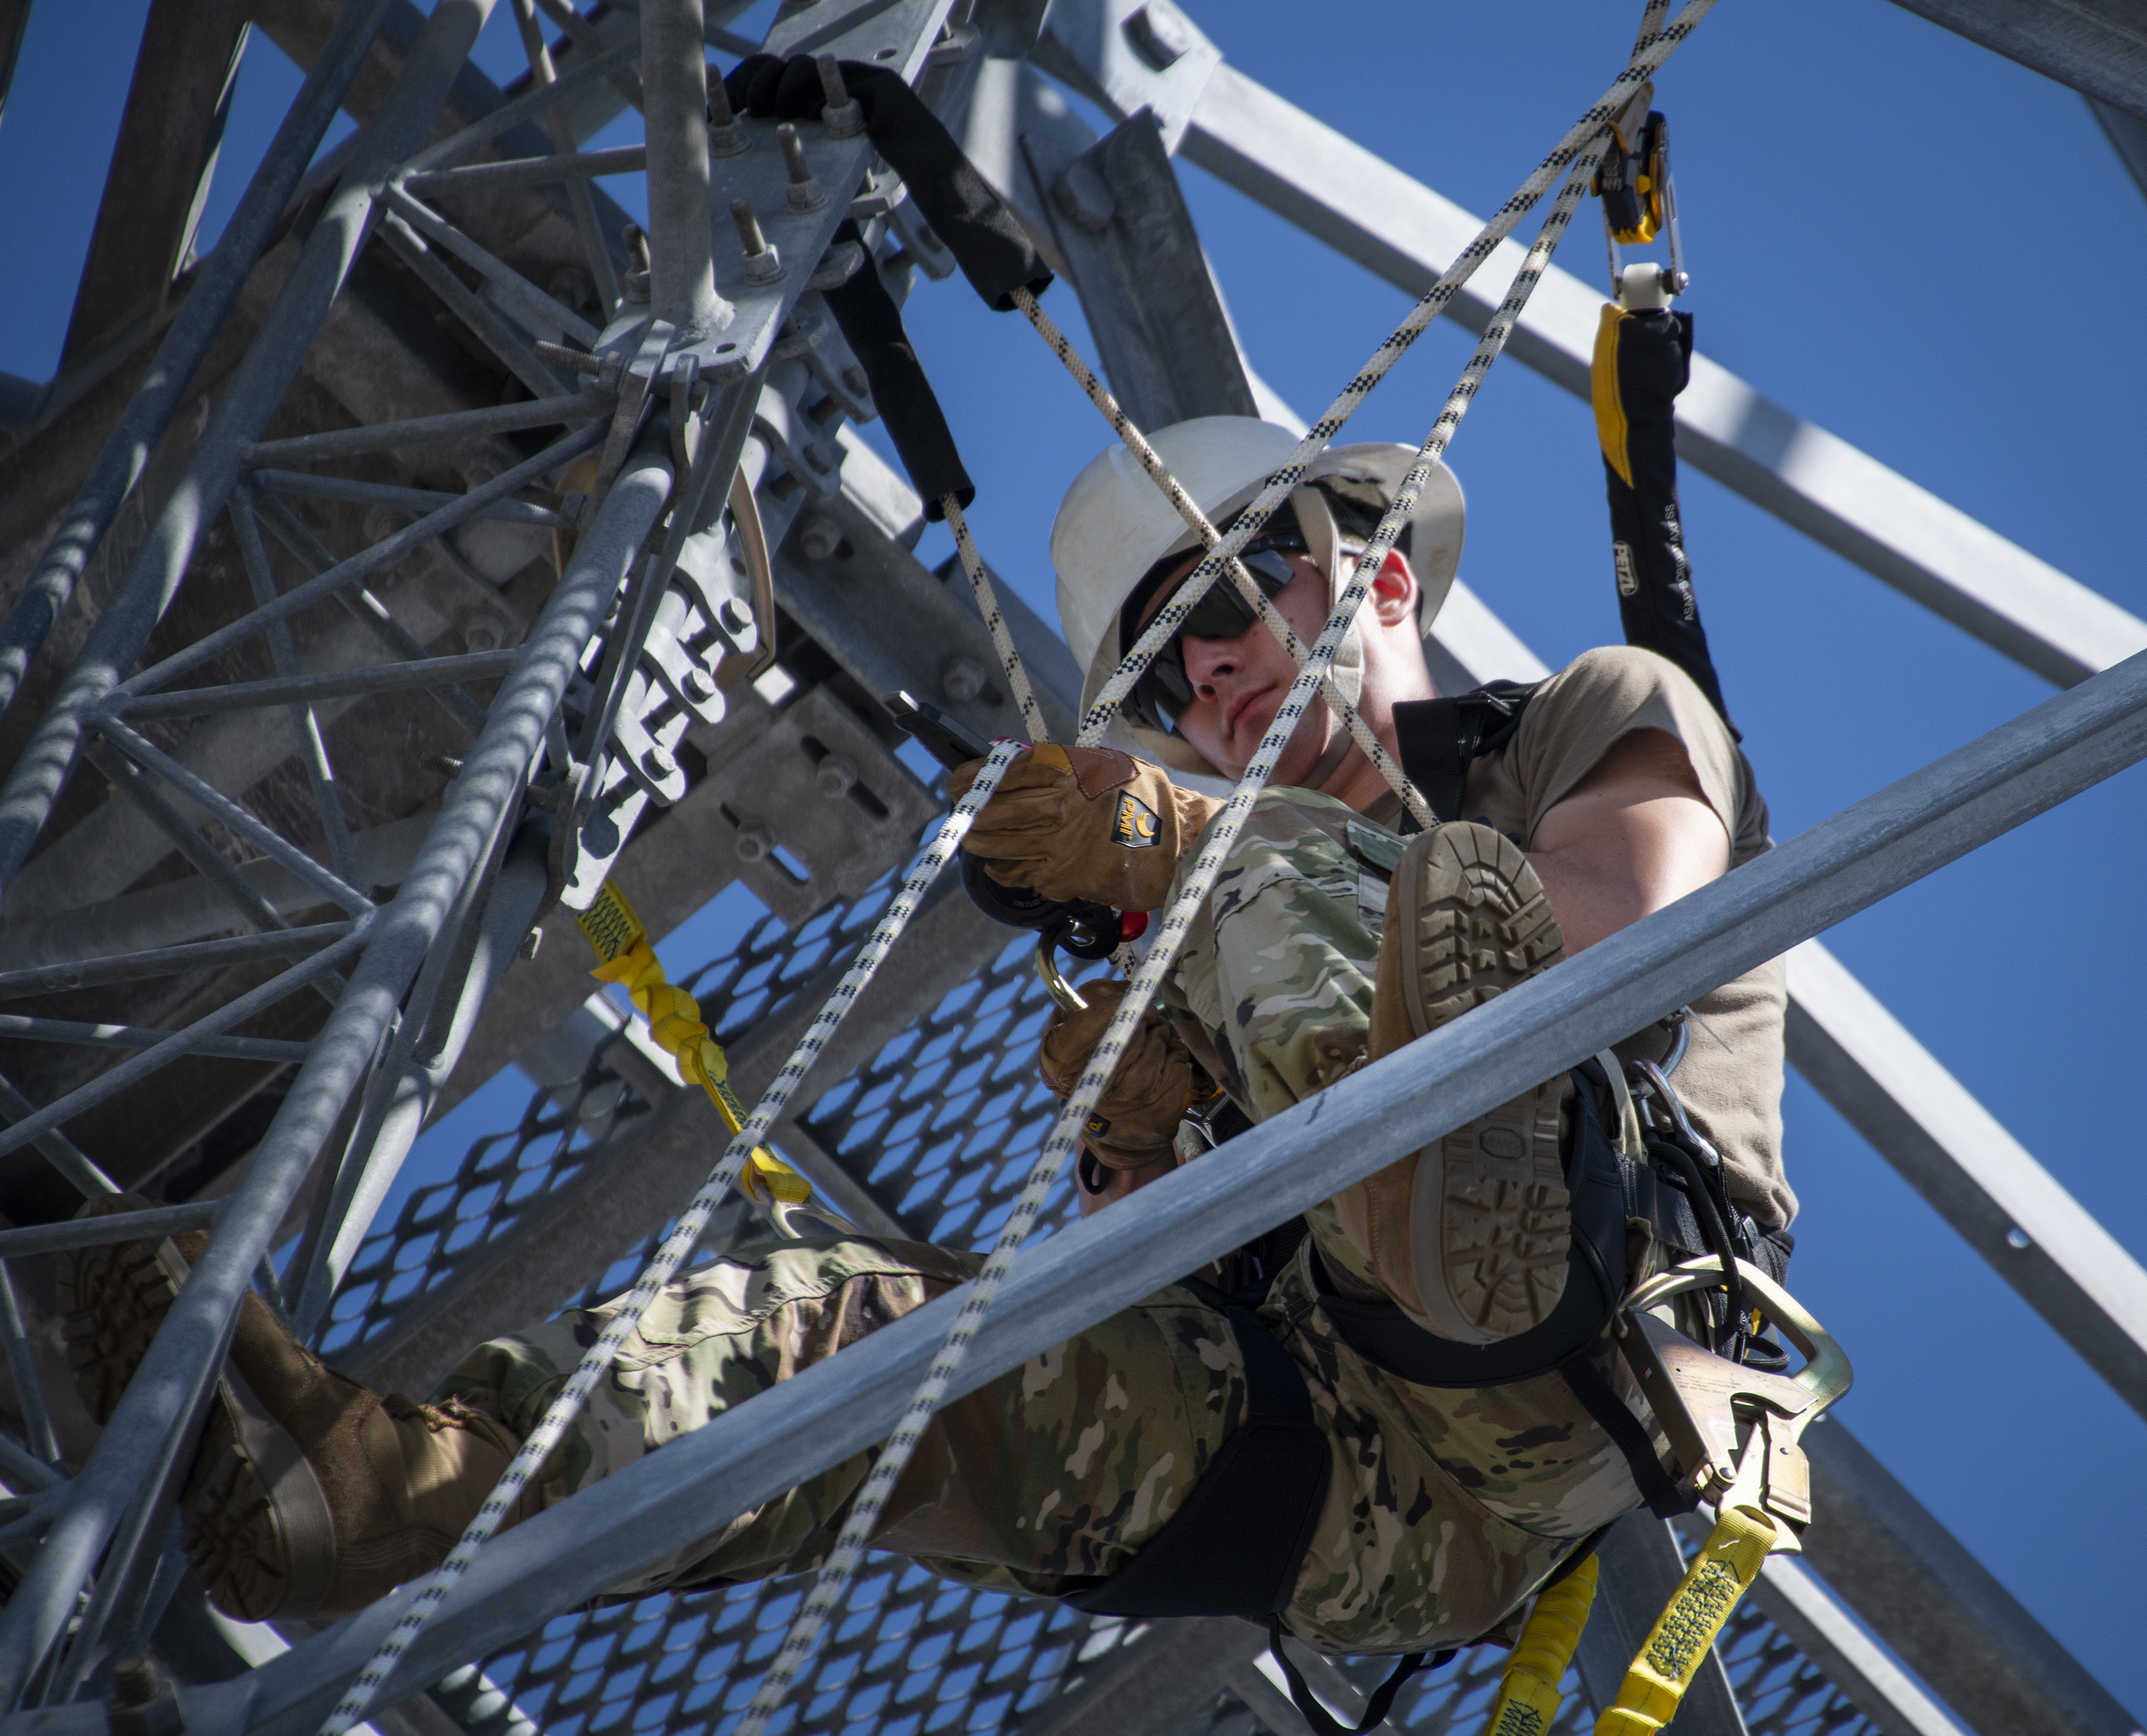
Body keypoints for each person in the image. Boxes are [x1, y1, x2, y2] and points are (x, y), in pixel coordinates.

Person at [56, 344, 1792, 1677]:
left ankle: (1435, 1169)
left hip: (1592, 1314)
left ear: (1380, 575)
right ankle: (373, 1493)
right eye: (1155, 671)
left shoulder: (1584, 721)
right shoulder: (1229, 892)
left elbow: (1602, 941)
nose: (1202, 672)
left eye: (1224, 593)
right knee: (865, 1348)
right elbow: (1181, 1293)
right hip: (1375, 1487)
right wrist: (1149, 1134)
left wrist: (1194, 854)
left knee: (1299, 881)